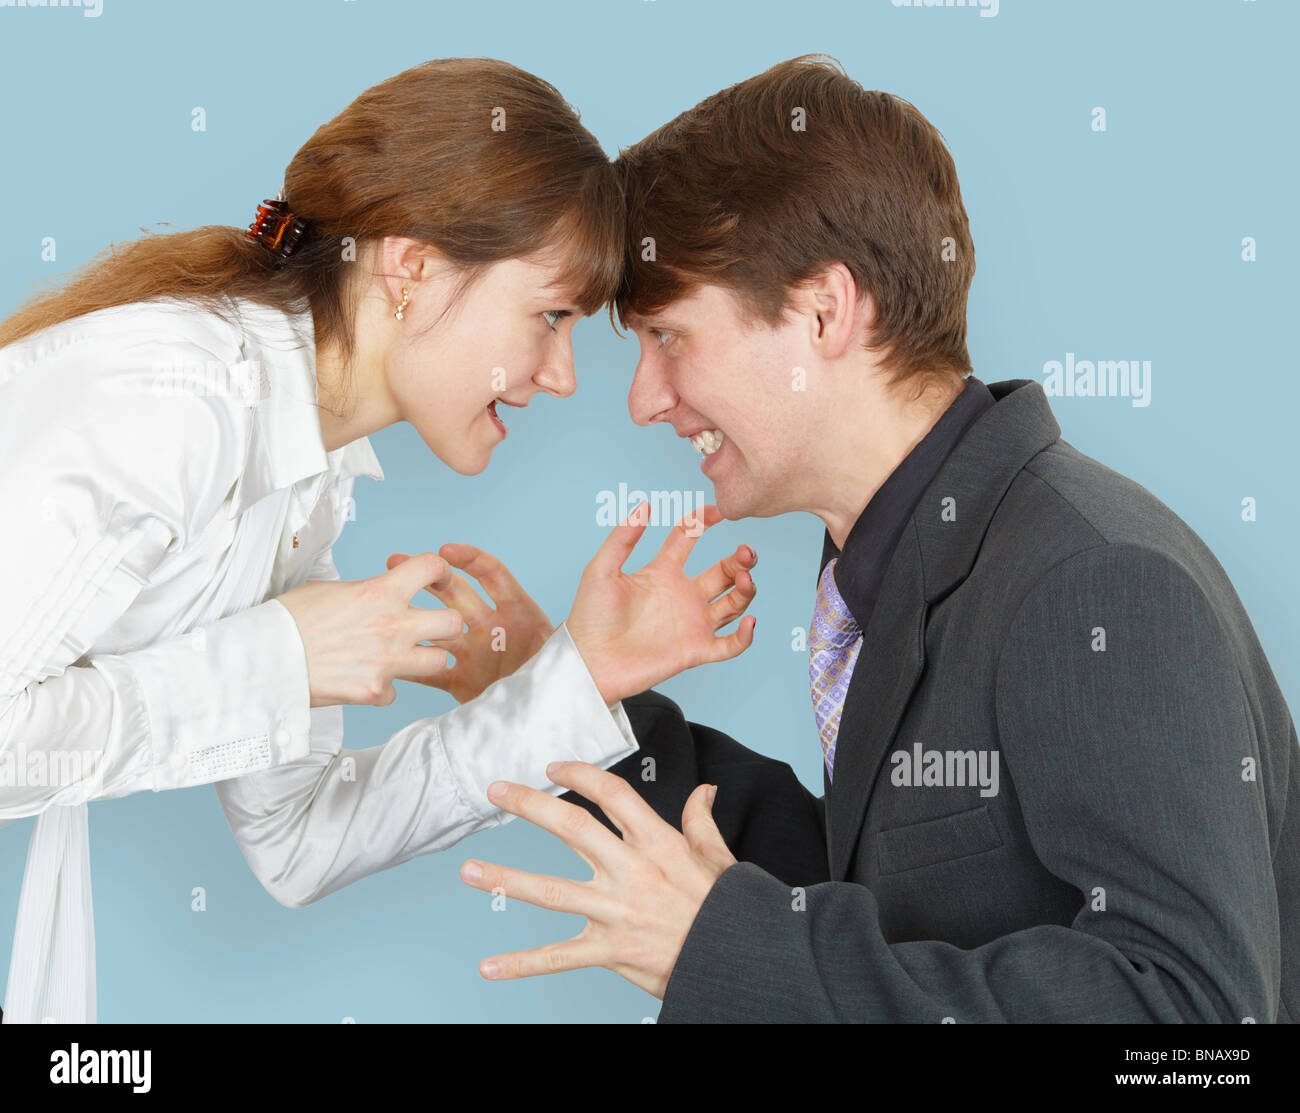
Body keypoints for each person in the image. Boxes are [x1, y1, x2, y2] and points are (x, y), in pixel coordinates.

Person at [454, 55, 1299, 1023]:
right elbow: (881, 908)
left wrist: (731, 949)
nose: (644, 400)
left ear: (823, 310)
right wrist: (567, 700)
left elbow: (1192, 1022)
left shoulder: (1096, 583)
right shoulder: (894, 565)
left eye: (671, 338)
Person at [0, 57, 757, 1024]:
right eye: (550, 317)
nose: (563, 375)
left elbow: (300, 841)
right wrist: (282, 656)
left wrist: (578, 676)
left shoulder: (300, 477)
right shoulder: (171, 405)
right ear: (410, 267)